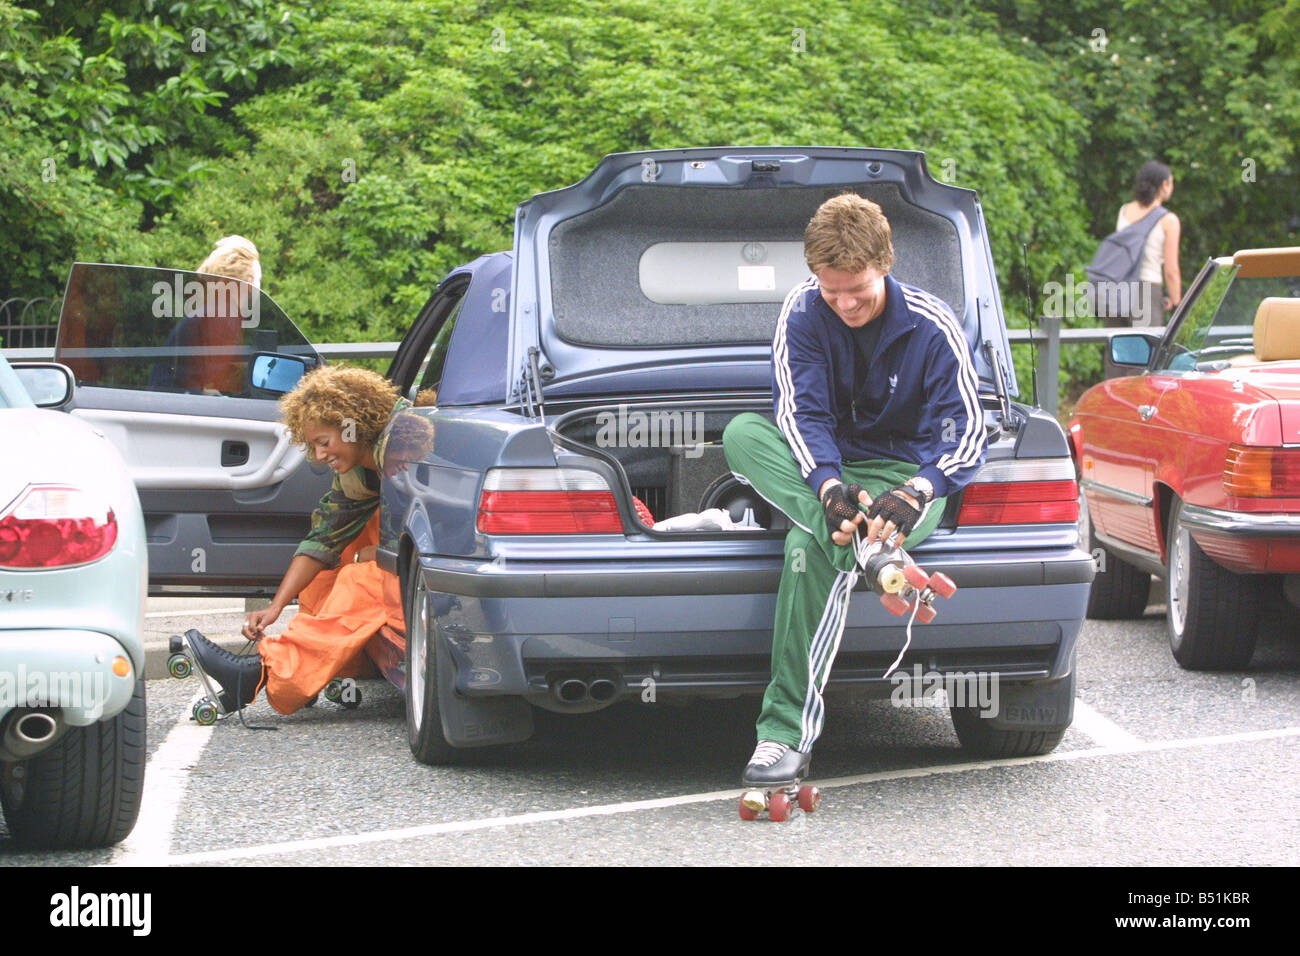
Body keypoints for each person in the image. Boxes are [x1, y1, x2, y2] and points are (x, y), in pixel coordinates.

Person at [722, 193, 987, 787]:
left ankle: (781, 736)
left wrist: (918, 490)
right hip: (831, 476)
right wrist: (828, 486)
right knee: (742, 434)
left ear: (885, 265)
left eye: (857, 289)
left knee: (802, 552)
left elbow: (968, 431)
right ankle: (869, 552)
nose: (843, 303)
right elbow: (798, 413)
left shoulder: (932, 324)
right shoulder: (802, 309)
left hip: (905, 480)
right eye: (829, 289)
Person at [182, 365, 436, 715]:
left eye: (323, 443)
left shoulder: (408, 450)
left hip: (429, 578)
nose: (318, 457)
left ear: (352, 425)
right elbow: (321, 541)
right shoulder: (357, 474)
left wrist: (371, 557)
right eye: (313, 446)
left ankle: (265, 673)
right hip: (403, 575)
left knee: (359, 578)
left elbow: (430, 535)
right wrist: (274, 607)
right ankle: (316, 672)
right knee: (323, 575)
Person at [1113, 161, 1182, 327]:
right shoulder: (1168, 220)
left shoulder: (1124, 210)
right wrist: (1177, 302)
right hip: (1146, 292)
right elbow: (1171, 271)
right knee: (1148, 351)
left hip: (1116, 289)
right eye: (1171, 182)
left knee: (1116, 350)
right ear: (1164, 185)